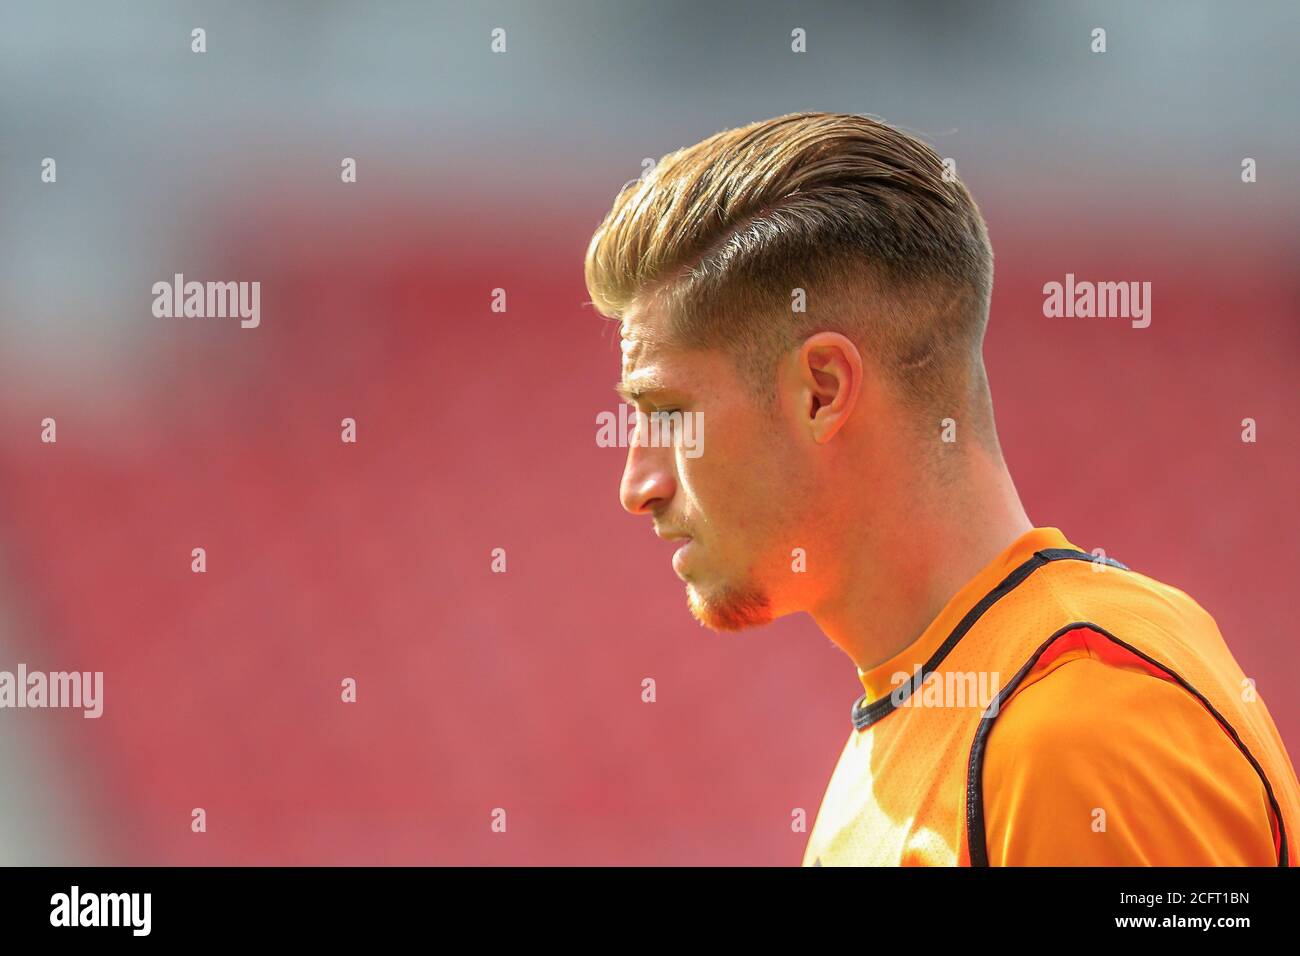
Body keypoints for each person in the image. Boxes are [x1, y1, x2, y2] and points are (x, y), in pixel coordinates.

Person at [584, 111, 1300, 865]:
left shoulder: (1073, 734)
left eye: (668, 413)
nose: (638, 485)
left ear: (822, 390)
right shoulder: (921, 720)